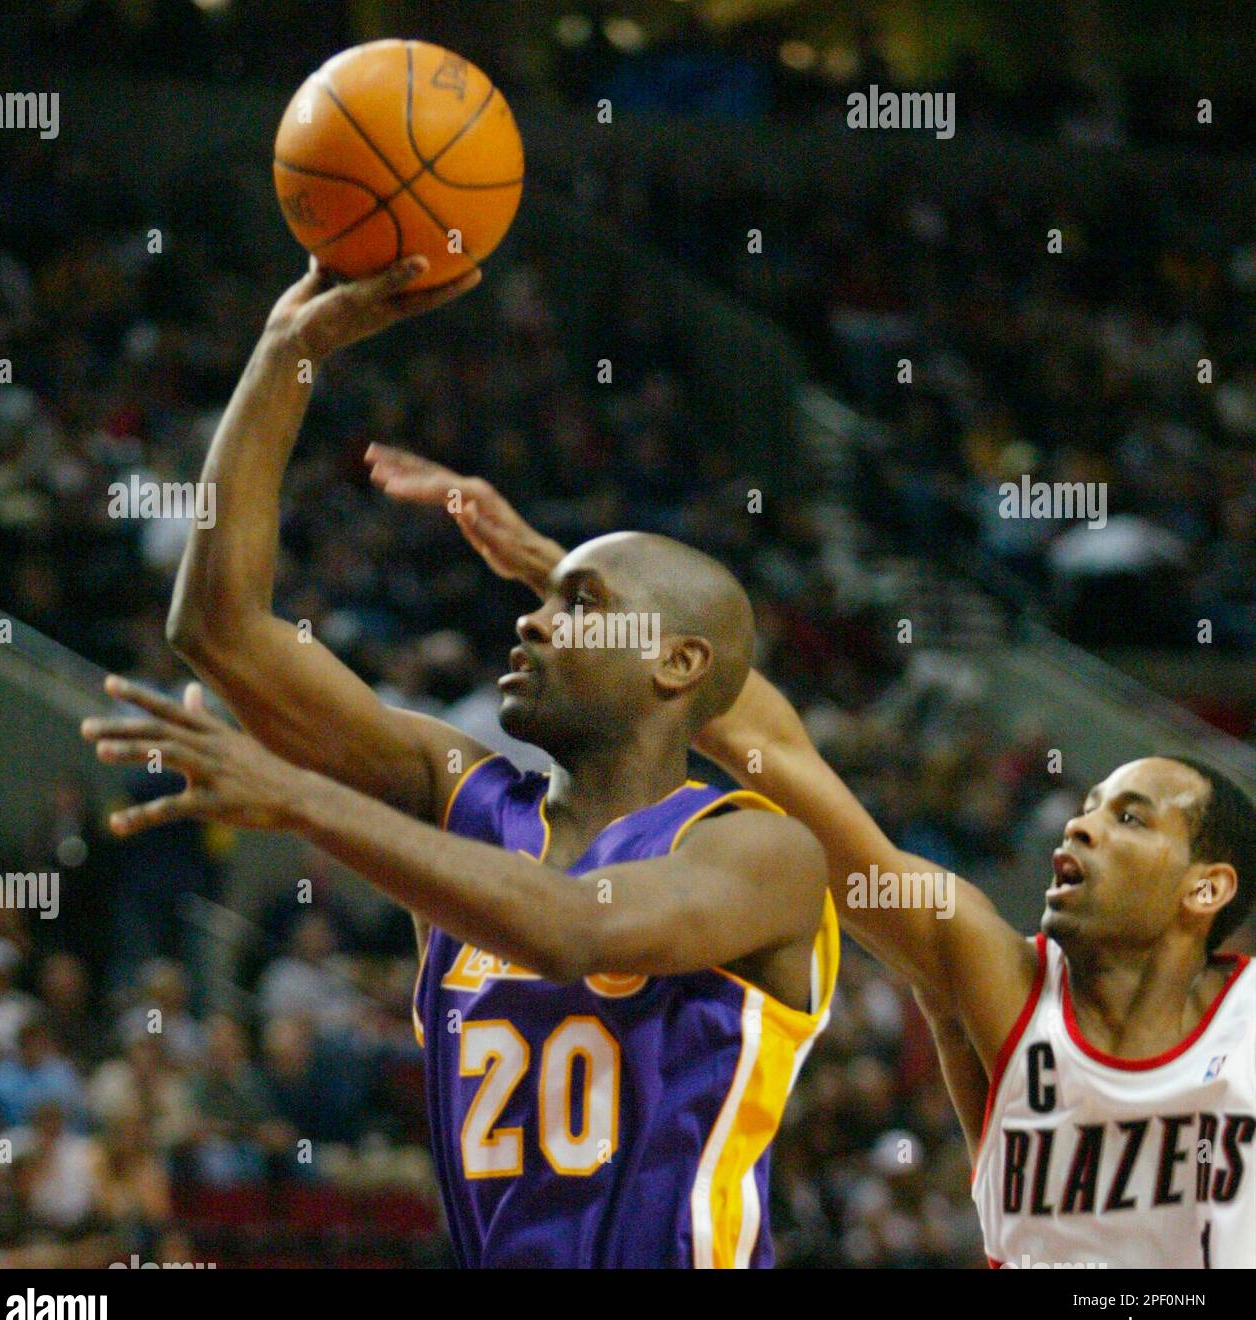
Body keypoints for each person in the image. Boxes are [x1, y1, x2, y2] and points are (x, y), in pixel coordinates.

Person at [80, 256, 839, 1269]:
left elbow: (572, 926)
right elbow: (220, 629)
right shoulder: (464, 796)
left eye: (579, 602)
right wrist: (283, 356)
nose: (530, 617)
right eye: (545, 594)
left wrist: (304, 798)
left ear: (678, 660)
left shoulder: (762, 851)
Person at [374, 450, 1256, 1269]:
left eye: (1129, 818)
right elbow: (773, 750)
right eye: (1089, 806)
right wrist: (562, 580)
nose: (1079, 827)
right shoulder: (993, 977)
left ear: (1207, 887)